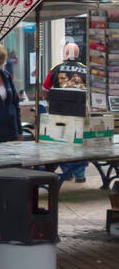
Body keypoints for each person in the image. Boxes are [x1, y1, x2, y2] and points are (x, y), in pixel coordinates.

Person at [42, 42, 89, 183]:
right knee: (79, 143)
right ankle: (80, 174)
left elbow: (45, 90)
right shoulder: (85, 70)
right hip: (79, 114)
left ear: (64, 54)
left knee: (60, 143)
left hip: (59, 114)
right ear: (78, 54)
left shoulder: (55, 69)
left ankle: (66, 171)